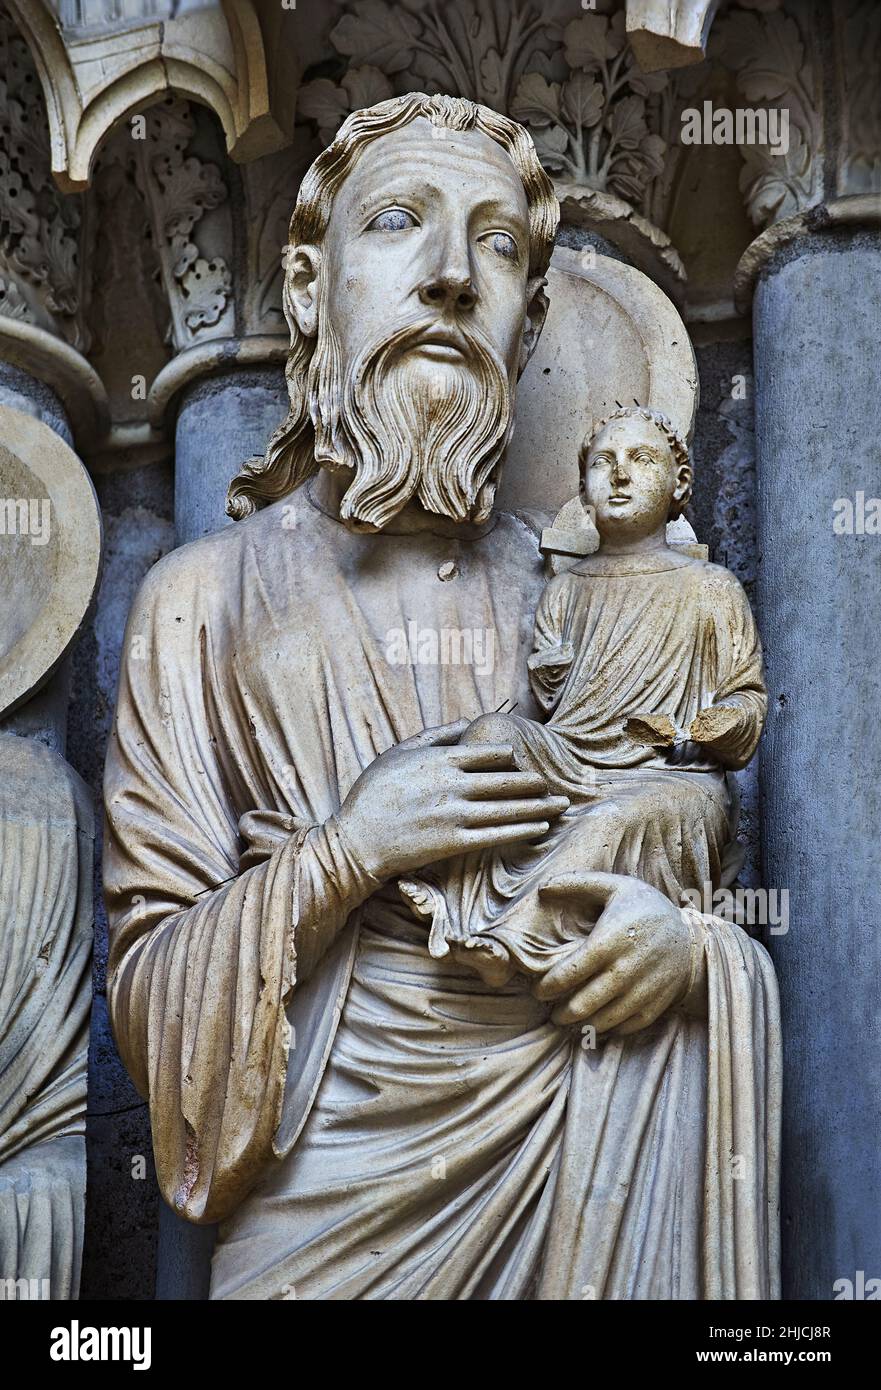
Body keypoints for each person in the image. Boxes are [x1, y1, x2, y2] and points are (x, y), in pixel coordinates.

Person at [104, 93, 780, 1300]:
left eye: (498, 245)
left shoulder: (586, 593)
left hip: (587, 1143)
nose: (451, 277)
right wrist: (346, 853)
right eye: (400, 223)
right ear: (311, 288)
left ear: (524, 328)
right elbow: (153, 1009)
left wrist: (686, 957)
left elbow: (678, 814)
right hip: (318, 1213)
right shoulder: (198, 600)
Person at [401, 405, 767, 986]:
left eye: (641, 460)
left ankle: (515, 931)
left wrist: (681, 733)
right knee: (492, 738)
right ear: (584, 490)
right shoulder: (566, 589)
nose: (620, 476)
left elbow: (746, 711)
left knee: (617, 816)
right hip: (573, 755)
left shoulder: (709, 588)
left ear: (680, 484)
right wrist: (553, 672)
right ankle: (459, 900)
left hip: (666, 775)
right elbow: (554, 705)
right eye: (605, 463)